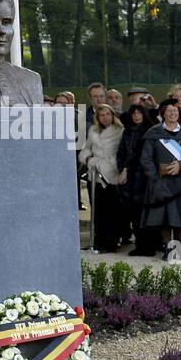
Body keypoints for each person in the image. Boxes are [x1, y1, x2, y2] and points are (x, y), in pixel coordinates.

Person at [140, 98, 181, 260]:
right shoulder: (153, 133)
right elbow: (146, 159)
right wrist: (154, 177)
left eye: (176, 111)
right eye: (169, 111)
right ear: (163, 114)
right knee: (164, 217)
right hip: (161, 182)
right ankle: (168, 248)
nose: (173, 113)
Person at [78, 103, 126, 253]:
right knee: (97, 210)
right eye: (102, 115)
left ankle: (112, 242)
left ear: (112, 115)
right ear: (98, 118)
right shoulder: (93, 130)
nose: (105, 117)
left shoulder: (120, 130)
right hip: (96, 174)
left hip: (113, 174)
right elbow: (86, 149)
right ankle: (97, 241)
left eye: (108, 114)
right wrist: (88, 160)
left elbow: (124, 151)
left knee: (113, 211)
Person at [118, 103, 157, 256]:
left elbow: (144, 155)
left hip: (145, 177)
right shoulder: (127, 132)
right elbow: (121, 153)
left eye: (139, 113)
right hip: (130, 180)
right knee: (134, 213)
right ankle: (140, 245)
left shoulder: (150, 131)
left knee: (147, 212)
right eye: (133, 113)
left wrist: (127, 167)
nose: (136, 116)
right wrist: (122, 168)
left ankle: (150, 246)